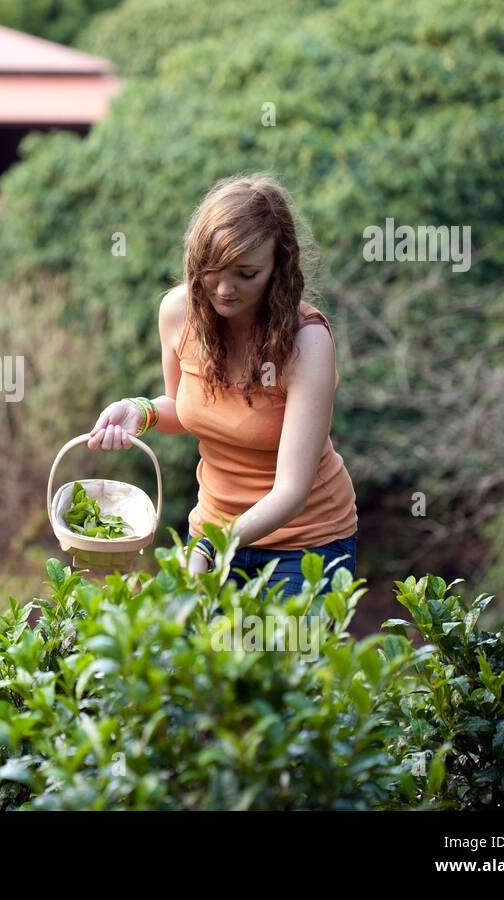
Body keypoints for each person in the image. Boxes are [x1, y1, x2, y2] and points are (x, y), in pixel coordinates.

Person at [86, 172, 358, 599]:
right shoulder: (178, 313)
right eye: (213, 270)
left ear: (277, 269)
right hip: (212, 532)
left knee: (279, 663)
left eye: (247, 273)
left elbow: (291, 492)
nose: (226, 289)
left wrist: (213, 545)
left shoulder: (307, 342)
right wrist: (142, 411)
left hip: (304, 544)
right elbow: (186, 408)